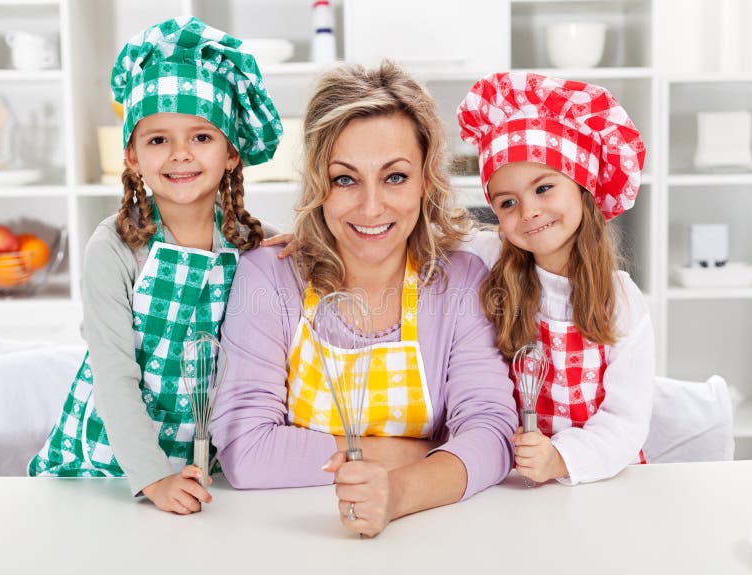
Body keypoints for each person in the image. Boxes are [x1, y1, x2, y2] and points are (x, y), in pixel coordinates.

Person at [210, 61, 517, 537]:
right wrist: (425, 451)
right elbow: (245, 454)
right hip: (283, 536)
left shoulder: (460, 282)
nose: (371, 207)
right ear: (318, 184)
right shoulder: (268, 279)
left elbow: (493, 436)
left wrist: (397, 495)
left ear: (425, 180)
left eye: (394, 177)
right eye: (345, 179)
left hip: (436, 533)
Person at [28, 16, 283, 515]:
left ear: (232, 153)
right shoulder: (115, 247)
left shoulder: (255, 244)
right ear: (132, 154)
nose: (180, 154)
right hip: (109, 463)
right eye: (158, 139)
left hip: (202, 462)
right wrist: (153, 477)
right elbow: (113, 376)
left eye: (202, 138)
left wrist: (303, 245)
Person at [457, 71, 654, 486]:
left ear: (584, 186)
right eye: (507, 202)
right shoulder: (491, 257)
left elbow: (626, 422)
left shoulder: (620, 300)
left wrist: (561, 458)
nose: (527, 211)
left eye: (544, 188)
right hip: (512, 483)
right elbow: (416, 239)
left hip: (598, 481)